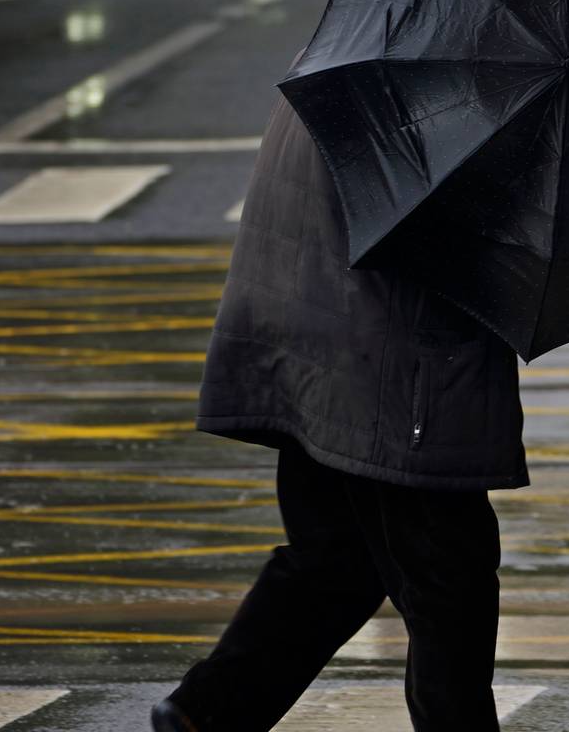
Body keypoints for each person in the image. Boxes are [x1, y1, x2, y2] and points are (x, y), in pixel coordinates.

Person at [151, 92, 527, 732]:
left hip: (319, 339)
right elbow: (468, 221)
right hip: (391, 361)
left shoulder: (369, 51)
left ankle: (206, 714)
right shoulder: (447, 87)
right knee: (448, 579)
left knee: (339, 558)